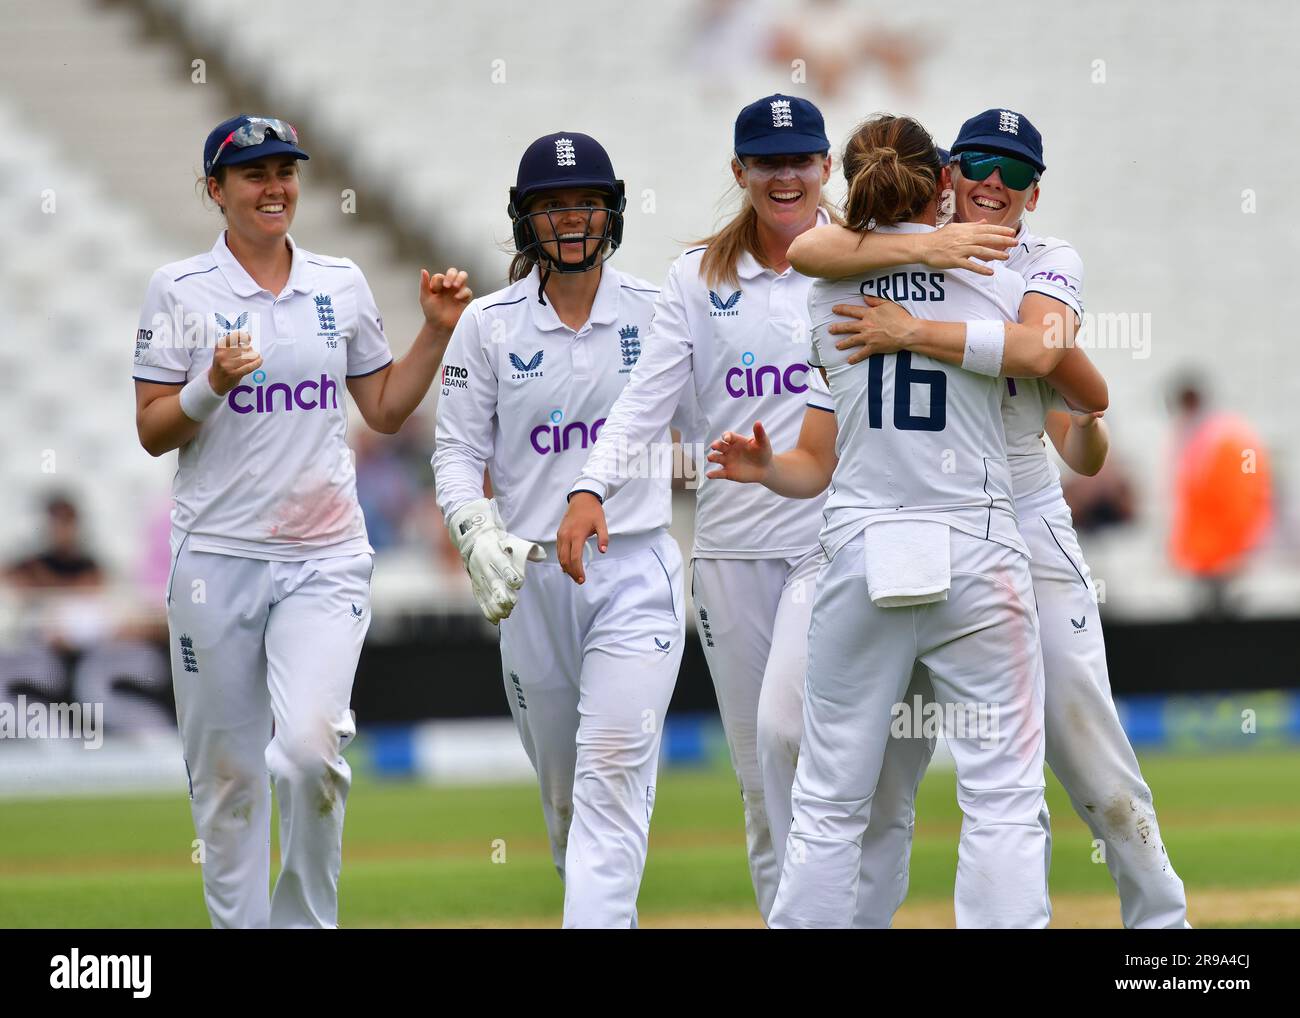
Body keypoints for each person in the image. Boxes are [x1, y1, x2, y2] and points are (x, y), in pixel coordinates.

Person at [555, 95, 1014, 922]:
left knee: (821, 756)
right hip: (732, 555)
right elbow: (643, 404)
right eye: (767, 162)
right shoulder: (696, 279)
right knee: (765, 785)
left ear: (826, 168)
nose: (786, 174)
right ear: (740, 173)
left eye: (801, 158)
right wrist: (591, 487)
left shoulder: (853, 257)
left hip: (835, 547)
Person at [789, 108, 1189, 928]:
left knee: (1086, 759)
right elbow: (814, 246)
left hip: (1002, 520)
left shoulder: (1032, 265)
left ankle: (1163, 929)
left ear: (1035, 192)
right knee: (966, 789)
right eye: (977, 164)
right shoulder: (962, 265)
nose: (993, 184)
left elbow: (1056, 377)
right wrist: (930, 250)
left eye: (1013, 173)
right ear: (943, 176)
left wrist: (913, 329)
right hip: (976, 538)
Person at [710, 114, 1050, 928]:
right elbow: (1048, 355)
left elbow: (815, 252)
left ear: (849, 187)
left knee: (828, 803)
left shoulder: (825, 289)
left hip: (861, 547)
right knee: (1002, 795)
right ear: (941, 184)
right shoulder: (999, 272)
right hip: (978, 544)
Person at [132, 114, 471, 928]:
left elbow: (385, 409)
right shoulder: (180, 290)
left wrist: (433, 331)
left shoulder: (339, 282)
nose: (274, 187)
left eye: (285, 171)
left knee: (311, 753)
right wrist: (210, 383)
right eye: (253, 174)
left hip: (324, 556)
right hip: (216, 559)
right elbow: (152, 429)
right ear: (216, 190)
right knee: (227, 780)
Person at [432, 132, 685, 928]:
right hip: (531, 579)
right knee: (569, 810)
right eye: (551, 206)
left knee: (611, 779)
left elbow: (718, 420)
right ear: (524, 220)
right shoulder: (488, 325)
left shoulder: (656, 311)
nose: (570, 220)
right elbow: (456, 450)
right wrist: (474, 527)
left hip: (636, 570)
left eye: (583, 203)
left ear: (609, 211)